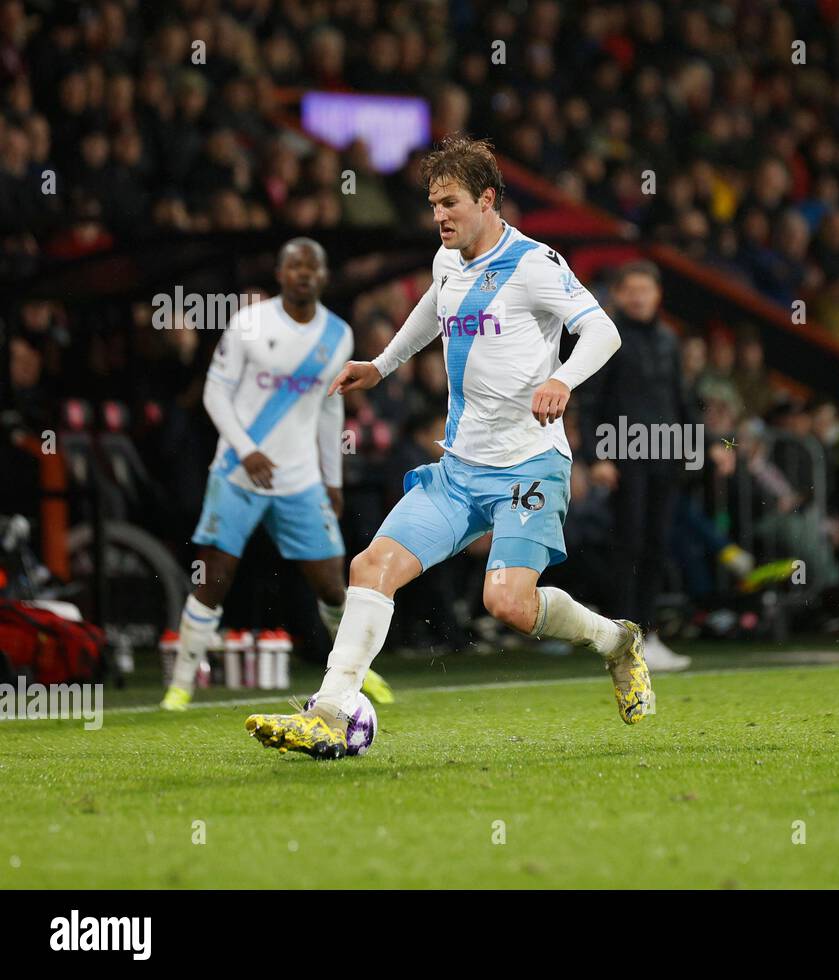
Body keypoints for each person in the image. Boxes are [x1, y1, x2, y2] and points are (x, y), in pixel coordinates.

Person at [245, 135, 651, 759]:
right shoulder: (446, 260)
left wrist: (562, 378)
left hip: (529, 466)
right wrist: (380, 366)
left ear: (487, 200)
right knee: (370, 567)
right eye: (433, 203)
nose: (439, 215)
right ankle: (328, 711)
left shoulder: (534, 264)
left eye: (450, 202)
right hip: (460, 467)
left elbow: (603, 329)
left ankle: (615, 641)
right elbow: (433, 311)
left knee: (507, 603)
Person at [162, 238, 393, 710]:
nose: (303, 273)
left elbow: (331, 410)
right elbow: (214, 393)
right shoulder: (249, 322)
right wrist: (246, 451)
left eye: (312, 266)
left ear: (324, 276)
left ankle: (356, 671)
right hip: (237, 473)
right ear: (280, 273)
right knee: (214, 578)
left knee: (332, 583)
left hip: (301, 479)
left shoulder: (338, 336)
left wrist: (333, 479)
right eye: (294, 266)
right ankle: (180, 685)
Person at [581, 260, 693, 671]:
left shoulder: (668, 340)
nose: (640, 297)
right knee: (627, 546)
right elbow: (590, 400)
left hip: (664, 456)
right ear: (619, 295)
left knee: (657, 545)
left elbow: (681, 400)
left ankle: (648, 634)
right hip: (624, 457)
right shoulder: (607, 338)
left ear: (657, 295)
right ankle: (622, 639)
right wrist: (597, 457)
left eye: (646, 289)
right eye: (632, 290)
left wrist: (698, 447)